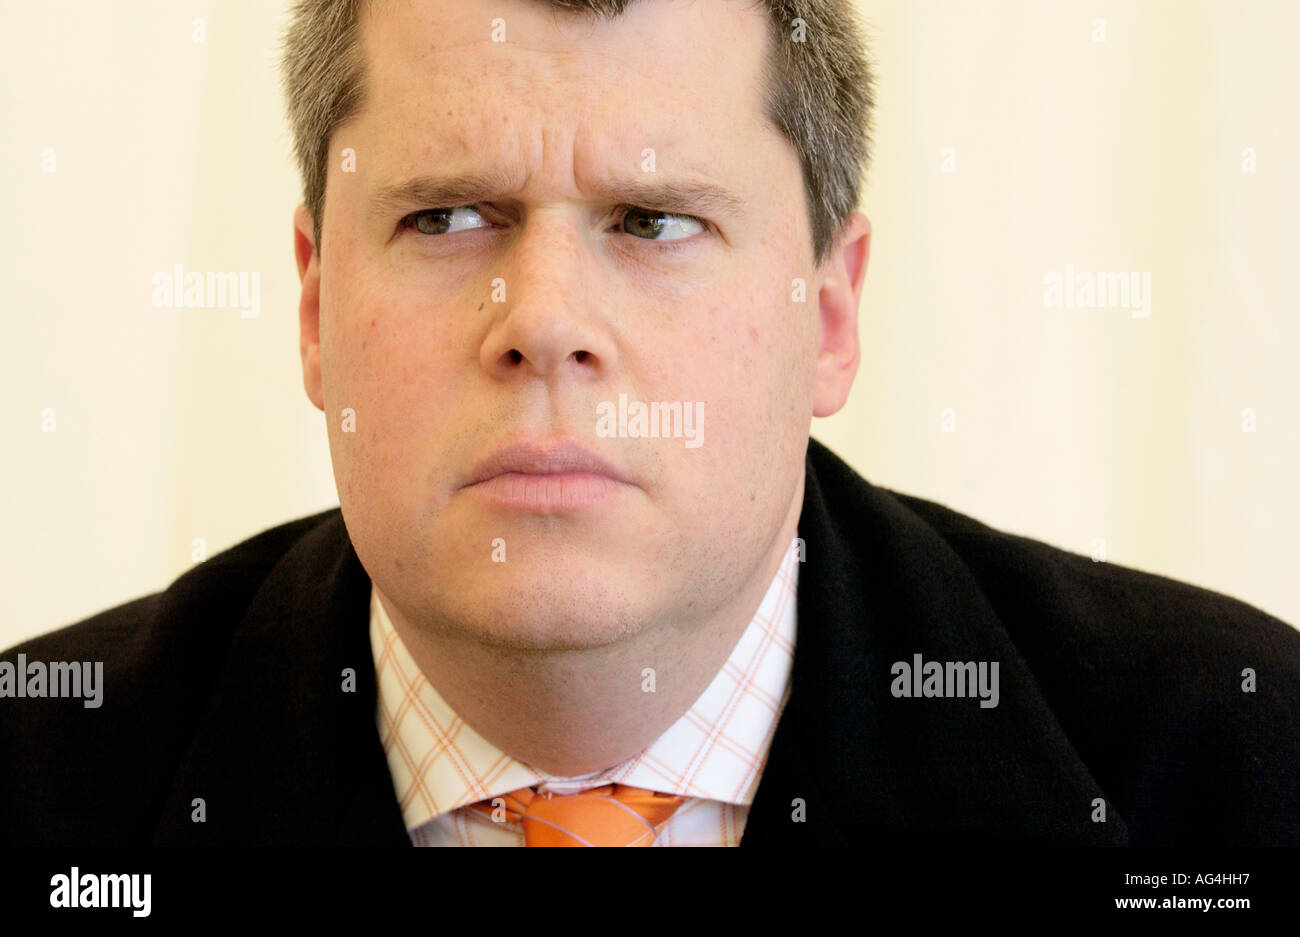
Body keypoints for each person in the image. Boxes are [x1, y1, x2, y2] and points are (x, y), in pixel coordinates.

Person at [2, 0, 1297, 847]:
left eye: (653, 220)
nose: (545, 318)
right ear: (313, 304)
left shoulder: (1236, 771)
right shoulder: (41, 783)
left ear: (831, 313)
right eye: (447, 216)